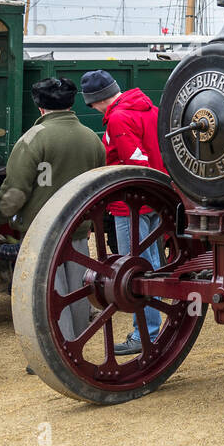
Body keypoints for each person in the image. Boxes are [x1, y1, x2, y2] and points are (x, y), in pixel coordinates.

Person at [0, 78, 105, 349]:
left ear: (40, 107)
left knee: (47, 295)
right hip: (77, 229)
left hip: (41, 232)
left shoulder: (33, 139)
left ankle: (55, 352)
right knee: (77, 293)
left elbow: (15, 192)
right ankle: (75, 347)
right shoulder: (92, 139)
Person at [81, 70, 165, 356]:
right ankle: (151, 329)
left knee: (135, 269)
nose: (93, 110)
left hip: (129, 204)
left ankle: (145, 333)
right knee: (150, 264)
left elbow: (133, 163)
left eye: (91, 105)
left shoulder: (118, 118)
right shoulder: (149, 109)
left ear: (97, 101)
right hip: (154, 199)